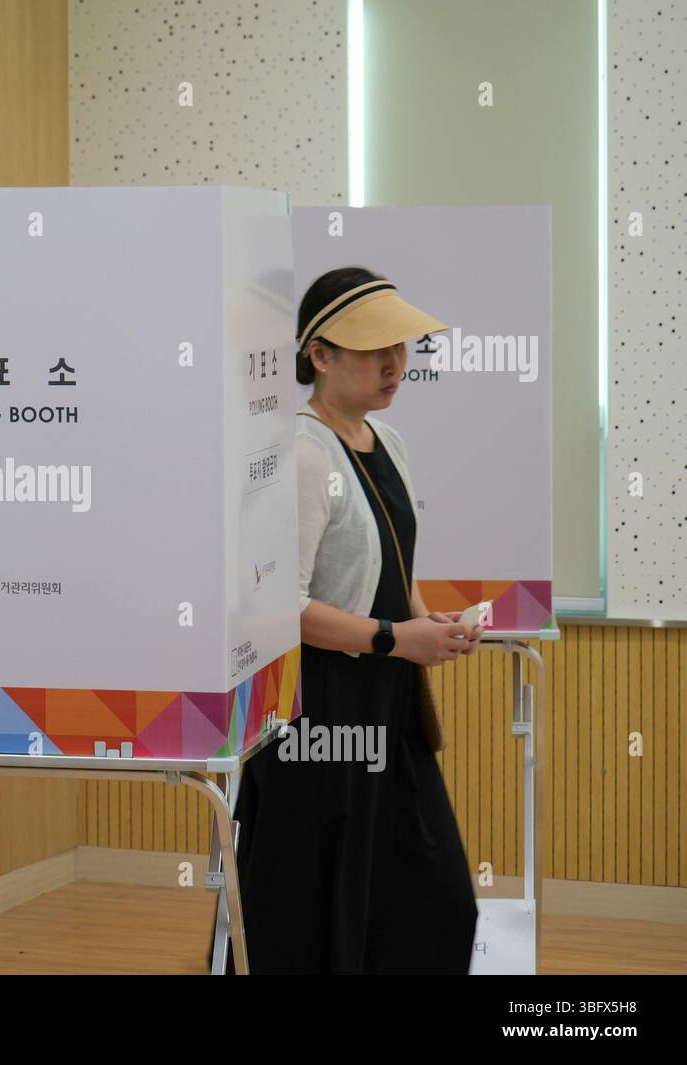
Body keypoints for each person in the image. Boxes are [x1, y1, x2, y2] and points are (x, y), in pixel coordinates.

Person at [217, 266, 482, 974]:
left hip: (390, 701)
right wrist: (396, 637)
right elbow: (280, 606)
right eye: (372, 349)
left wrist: (431, 623)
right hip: (322, 710)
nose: (395, 362)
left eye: (400, 346)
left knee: (437, 902)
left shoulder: (385, 439)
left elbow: (390, 568)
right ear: (319, 356)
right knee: (318, 907)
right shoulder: (301, 453)